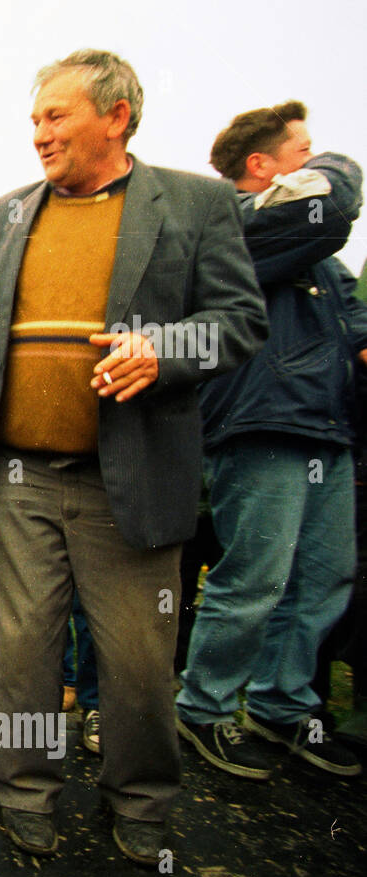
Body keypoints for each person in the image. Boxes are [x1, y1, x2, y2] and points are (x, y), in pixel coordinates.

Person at [0, 50, 267, 864]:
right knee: (26, 654)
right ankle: (25, 791)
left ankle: (141, 804)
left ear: (116, 115)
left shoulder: (196, 204)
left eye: (56, 116)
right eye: (34, 118)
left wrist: (165, 350)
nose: (38, 133)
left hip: (130, 482)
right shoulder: (5, 213)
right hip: (18, 479)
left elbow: (242, 322)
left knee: (138, 661)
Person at [176, 102, 366, 779]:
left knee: (321, 576)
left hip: (327, 425)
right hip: (262, 418)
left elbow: (352, 329)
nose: (319, 160)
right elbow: (335, 200)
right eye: (305, 152)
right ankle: (203, 707)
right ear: (263, 165)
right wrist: (335, 169)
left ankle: (283, 705)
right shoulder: (234, 220)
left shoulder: (323, 263)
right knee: (254, 576)